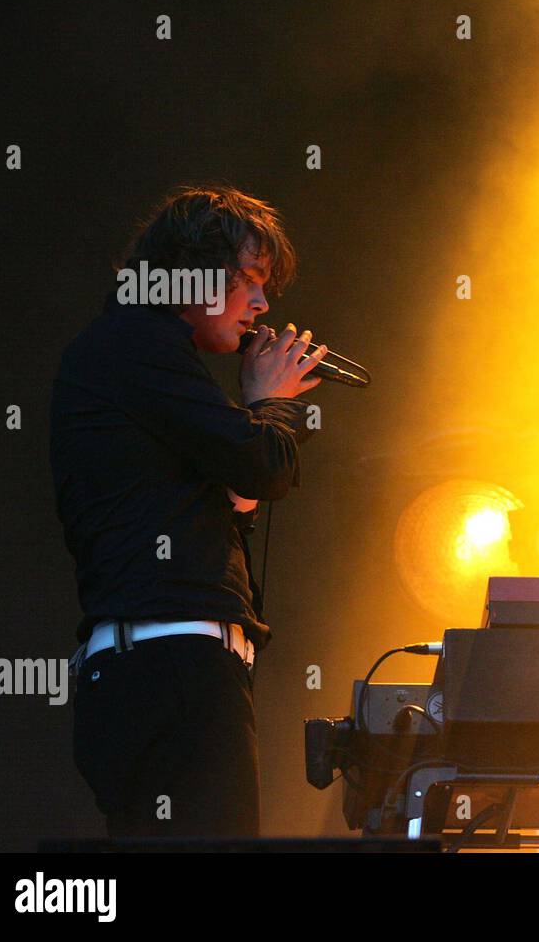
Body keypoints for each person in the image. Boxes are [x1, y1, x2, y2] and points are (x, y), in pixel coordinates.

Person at [49, 185, 327, 837]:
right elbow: (265, 462)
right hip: (172, 671)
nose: (262, 303)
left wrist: (253, 439)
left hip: (161, 673)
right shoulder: (136, 344)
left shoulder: (142, 358)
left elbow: (230, 497)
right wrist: (272, 403)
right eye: (249, 279)